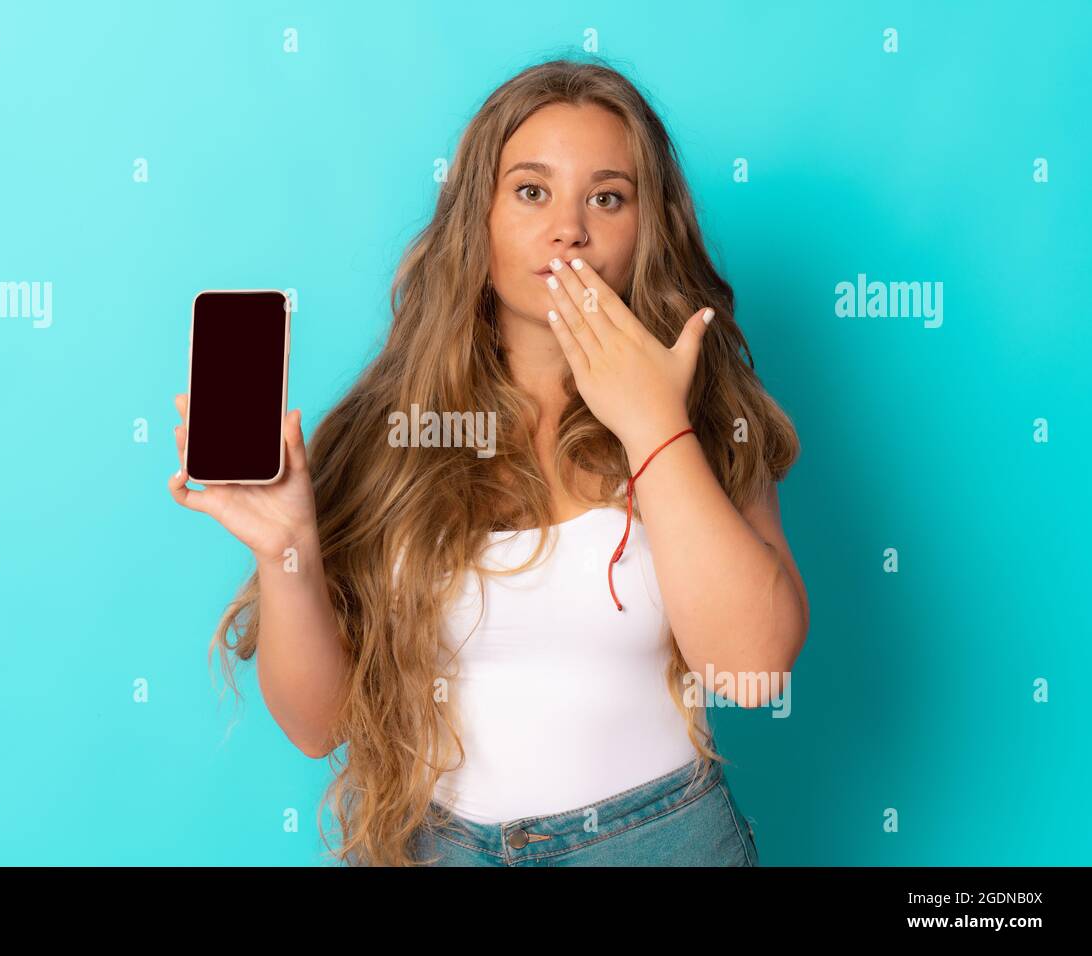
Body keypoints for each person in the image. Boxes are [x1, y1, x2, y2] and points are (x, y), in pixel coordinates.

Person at [168, 56, 808, 866]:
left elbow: (750, 668)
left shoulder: (707, 408)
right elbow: (318, 725)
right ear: (480, 216)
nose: (568, 227)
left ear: (648, 227)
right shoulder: (386, 431)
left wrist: (654, 428)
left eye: (606, 197)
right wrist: (285, 550)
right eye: (532, 191)